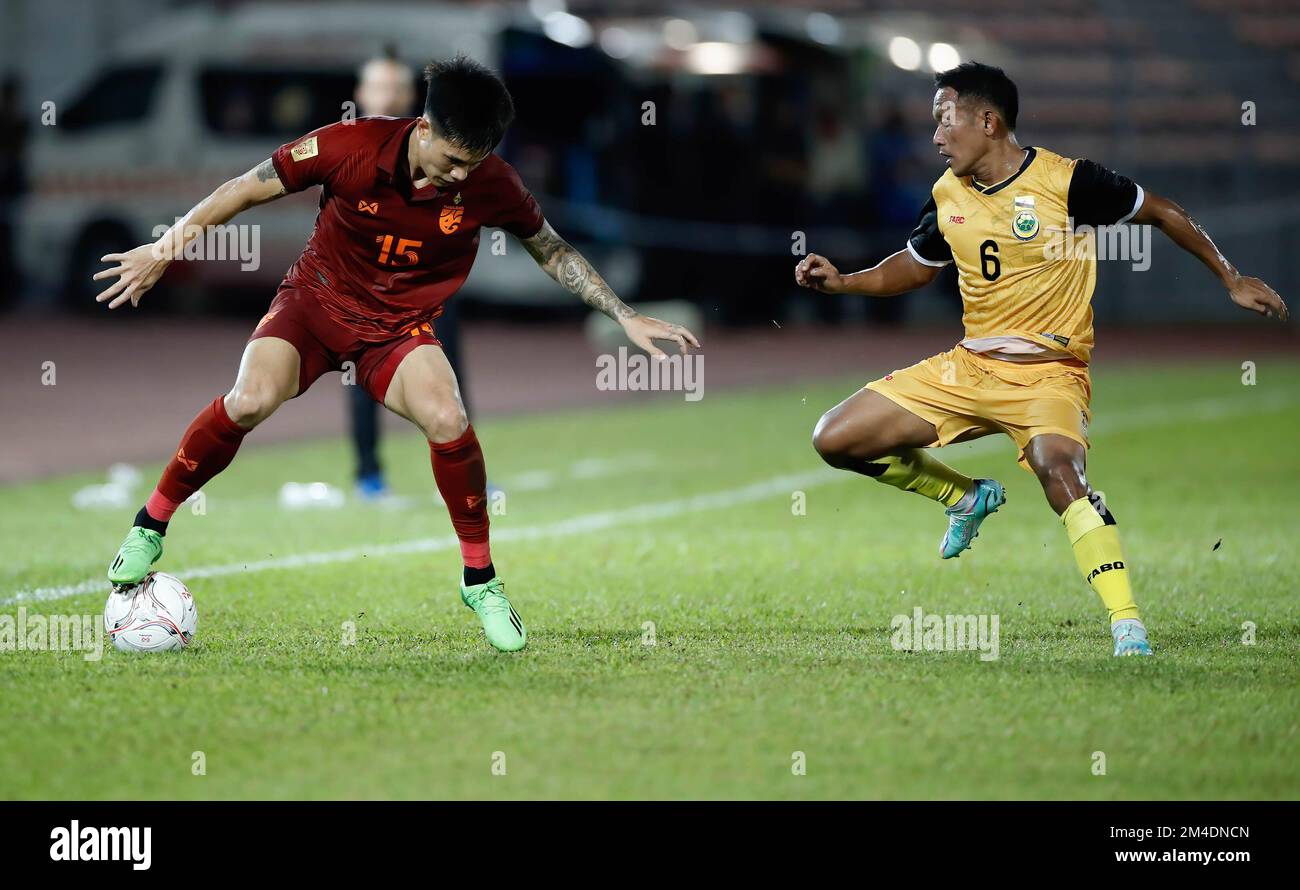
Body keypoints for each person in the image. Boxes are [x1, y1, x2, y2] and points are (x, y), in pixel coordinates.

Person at [96, 56, 699, 652]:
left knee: (449, 419)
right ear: (425, 128)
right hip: (315, 304)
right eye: (455, 159)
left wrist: (622, 312)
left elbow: (550, 249)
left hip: (398, 328)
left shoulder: (492, 182)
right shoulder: (348, 146)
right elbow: (244, 190)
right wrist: (165, 248)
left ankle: (481, 582)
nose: (462, 175)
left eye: (475, 162)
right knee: (249, 400)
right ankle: (151, 523)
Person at [796, 62, 1288, 658]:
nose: (935, 136)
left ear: (988, 120)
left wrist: (1230, 278)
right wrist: (844, 281)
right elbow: (916, 265)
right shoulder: (947, 194)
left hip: (1049, 373)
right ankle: (964, 497)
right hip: (970, 366)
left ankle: (1127, 626)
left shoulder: (1069, 182)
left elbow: (1159, 209)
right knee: (834, 438)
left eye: (944, 120)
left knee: (1060, 472)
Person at [347, 53, 475, 501]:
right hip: (368, 287)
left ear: (411, 96)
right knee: (362, 376)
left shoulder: (435, 146)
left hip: (431, 281)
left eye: (397, 88)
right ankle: (368, 474)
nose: (389, 95)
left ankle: (461, 474)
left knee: (450, 370)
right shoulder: (344, 150)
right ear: (362, 95)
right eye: (380, 87)